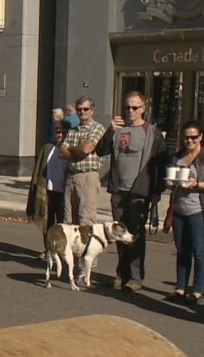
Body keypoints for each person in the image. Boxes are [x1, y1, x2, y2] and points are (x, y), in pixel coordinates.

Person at [100, 91, 167, 291]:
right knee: (120, 234)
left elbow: (161, 164)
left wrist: (157, 192)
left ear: (143, 109)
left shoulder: (151, 132)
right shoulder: (118, 130)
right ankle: (121, 274)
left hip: (139, 192)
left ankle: (135, 278)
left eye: (135, 107)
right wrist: (110, 130)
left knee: (135, 234)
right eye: (128, 107)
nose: (130, 111)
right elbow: (100, 150)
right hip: (118, 190)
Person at [164, 120, 204, 304]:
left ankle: (196, 291)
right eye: (186, 137)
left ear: (201, 137)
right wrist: (170, 184)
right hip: (180, 209)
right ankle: (180, 288)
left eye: (193, 137)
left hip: (200, 211)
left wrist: (196, 184)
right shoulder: (178, 156)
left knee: (199, 251)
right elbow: (172, 183)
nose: (190, 140)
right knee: (182, 250)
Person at [58, 96, 106, 226]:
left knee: (85, 220)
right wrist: (77, 150)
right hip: (71, 177)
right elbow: (62, 152)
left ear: (92, 111)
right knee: (68, 221)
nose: (82, 112)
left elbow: (86, 149)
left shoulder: (97, 128)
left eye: (86, 109)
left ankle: (87, 246)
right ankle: (72, 247)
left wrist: (71, 149)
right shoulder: (73, 130)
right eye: (79, 110)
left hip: (87, 177)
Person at [27, 122, 68, 253]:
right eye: (58, 132)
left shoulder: (70, 150)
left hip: (63, 192)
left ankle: (62, 250)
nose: (60, 135)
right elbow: (38, 170)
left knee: (62, 224)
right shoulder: (48, 148)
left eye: (63, 132)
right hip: (48, 190)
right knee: (48, 223)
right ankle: (48, 250)